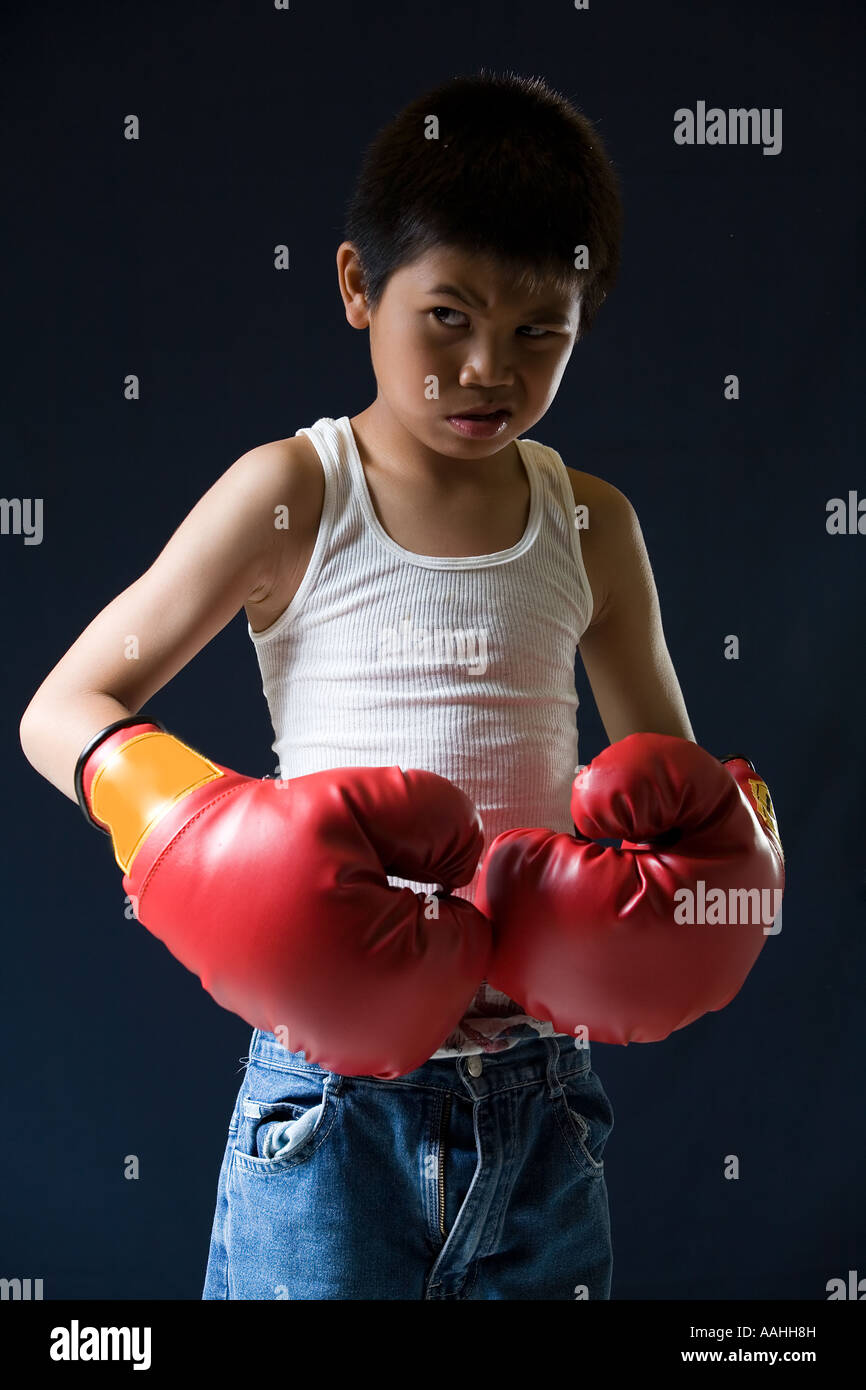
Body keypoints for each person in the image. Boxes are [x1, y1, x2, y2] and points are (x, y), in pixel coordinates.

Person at [19, 71, 696, 1300]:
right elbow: (60, 709)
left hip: (543, 1105)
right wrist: (209, 838)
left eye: (539, 328)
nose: (488, 365)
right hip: (326, 1108)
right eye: (448, 316)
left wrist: (705, 885)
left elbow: (675, 803)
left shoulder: (591, 523)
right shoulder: (293, 491)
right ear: (354, 287)